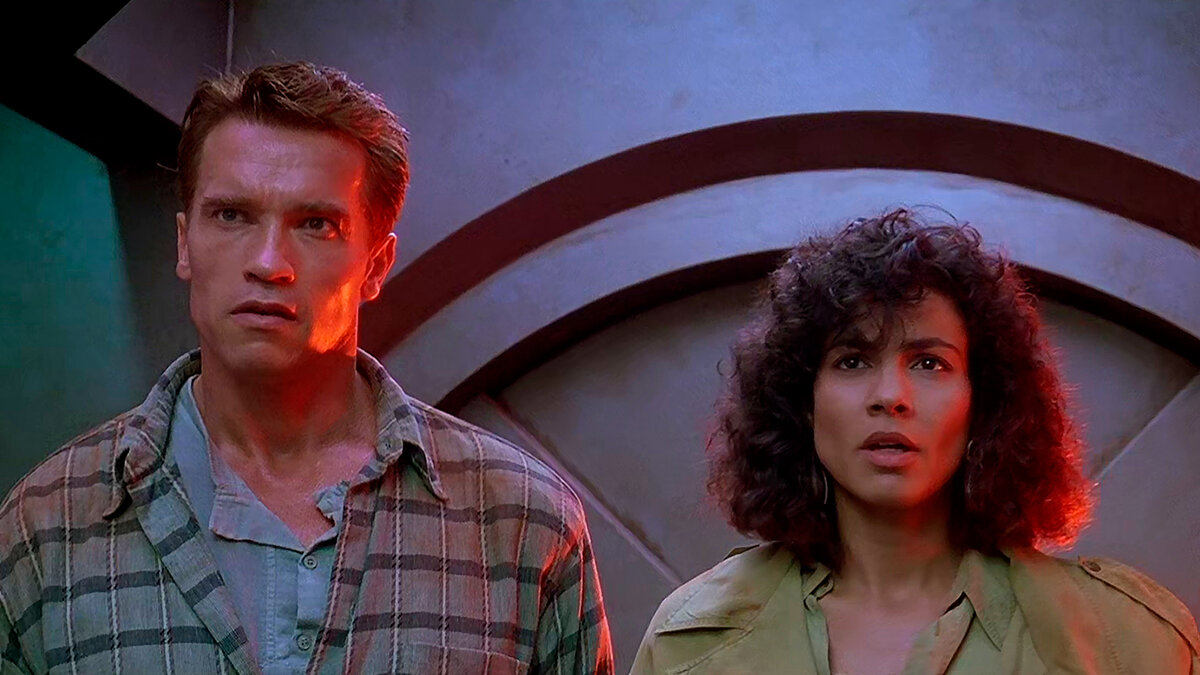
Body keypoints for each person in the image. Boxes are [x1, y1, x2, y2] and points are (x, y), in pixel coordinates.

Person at [0, 62, 612, 675]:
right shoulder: (47, 525)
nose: (269, 263)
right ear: (184, 243)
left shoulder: (522, 519)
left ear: (376, 265)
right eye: (231, 215)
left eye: (316, 224)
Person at [630, 209, 1199, 674]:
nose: (890, 397)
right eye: (852, 360)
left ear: (983, 401)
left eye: (929, 363)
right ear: (803, 403)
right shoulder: (693, 643)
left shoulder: (1126, 641)